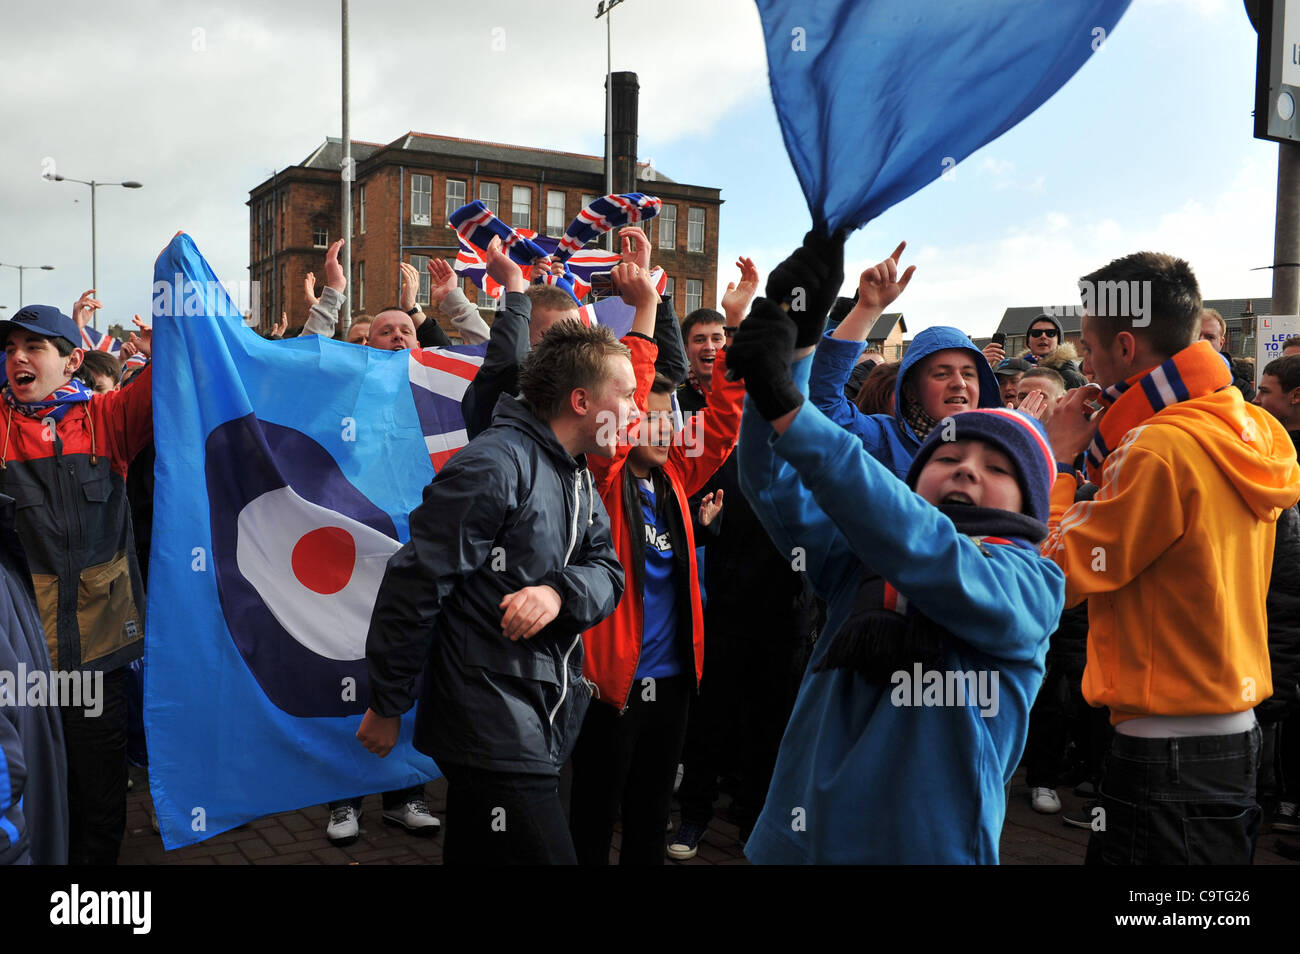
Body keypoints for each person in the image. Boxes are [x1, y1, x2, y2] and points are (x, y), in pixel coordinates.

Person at [724, 232, 1063, 862]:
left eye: (995, 467)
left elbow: (931, 552)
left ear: (1031, 507)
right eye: (949, 455)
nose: (964, 470)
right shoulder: (863, 557)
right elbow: (773, 483)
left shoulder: (1029, 585)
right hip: (793, 845)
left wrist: (792, 414)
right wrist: (797, 343)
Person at [1041, 251, 1300, 864]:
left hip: (1165, 748)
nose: (1084, 360)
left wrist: (1057, 464)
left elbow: (1052, 575)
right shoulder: (1256, 429)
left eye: (1090, 343)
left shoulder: (1156, 449)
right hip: (1232, 734)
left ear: (1125, 348)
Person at [358, 321, 629, 865]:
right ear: (581, 401)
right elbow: (414, 587)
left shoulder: (576, 474)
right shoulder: (492, 464)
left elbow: (609, 572)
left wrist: (558, 592)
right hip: (492, 724)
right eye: (625, 395)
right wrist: (388, 703)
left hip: (538, 713)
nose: (636, 410)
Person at [568, 261, 745, 865]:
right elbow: (621, 413)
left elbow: (723, 424)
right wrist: (645, 309)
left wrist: (737, 323)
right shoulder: (601, 478)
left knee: (650, 816)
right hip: (610, 685)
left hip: (672, 683)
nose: (668, 427)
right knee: (593, 814)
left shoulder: (675, 476)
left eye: (674, 417)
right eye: (654, 415)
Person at [0, 304, 153, 865]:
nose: (18, 356)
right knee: (36, 795)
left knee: (98, 806)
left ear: (71, 362)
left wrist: (166, 343)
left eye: (34, 347)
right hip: (24, 664)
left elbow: (178, 383)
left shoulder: (107, 419)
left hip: (98, 657)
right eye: (11, 346)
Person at [463, 227, 687, 440]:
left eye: (578, 334)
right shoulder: (506, 400)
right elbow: (509, 363)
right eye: (558, 337)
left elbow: (667, 372)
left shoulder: (585, 415)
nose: (575, 346)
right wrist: (513, 286)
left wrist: (644, 286)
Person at [809, 242, 1002, 478]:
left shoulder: (1000, 449)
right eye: (942, 373)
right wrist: (867, 309)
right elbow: (822, 403)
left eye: (969, 373)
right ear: (910, 391)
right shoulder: (881, 442)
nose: (959, 383)